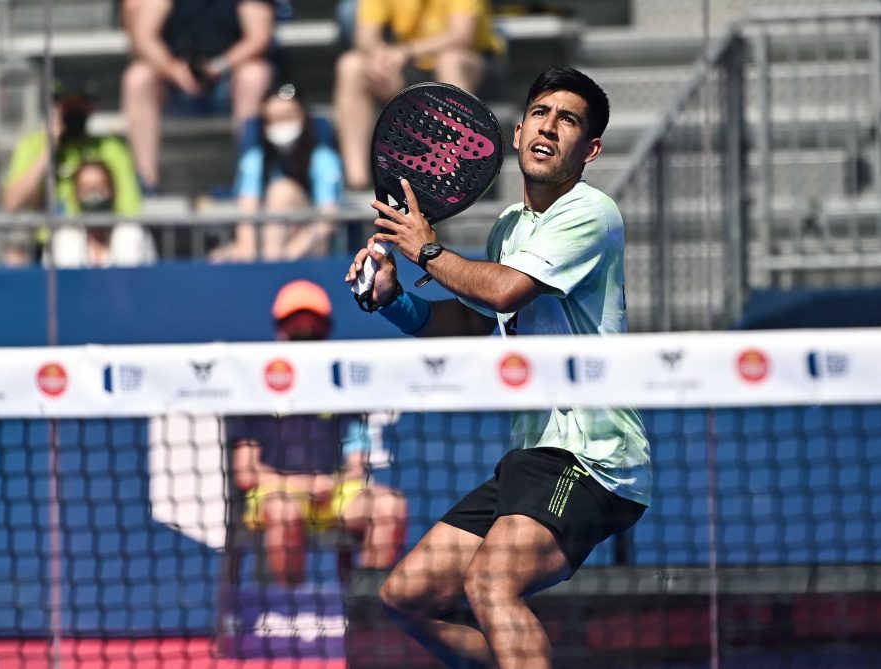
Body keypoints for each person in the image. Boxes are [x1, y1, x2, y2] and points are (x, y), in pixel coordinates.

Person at [344, 67, 650, 669]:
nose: (549, 126)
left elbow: (506, 291)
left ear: (589, 150)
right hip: (531, 455)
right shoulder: (509, 227)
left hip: (593, 455)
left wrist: (427, 249)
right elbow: (477, 319)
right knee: (408, 598)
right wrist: (395, 300)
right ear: (517, 133)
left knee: (491, 584)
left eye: (568, 120)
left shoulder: (592, 211)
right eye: (541, 113)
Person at [228, 279, 408, 585]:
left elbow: (356, 464)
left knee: (389, 506)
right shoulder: (255, 388)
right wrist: (300, 483)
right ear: (280, 331)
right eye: (296, 329)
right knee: (285, 514)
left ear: (326, 331)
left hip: (332, 492)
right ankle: (292, 609)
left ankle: (365, 607)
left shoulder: (342, 389)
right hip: (277, 495)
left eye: (312, 330)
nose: (305, 337)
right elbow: (245, 472)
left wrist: (330, 482)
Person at [333, 0, 506, 190]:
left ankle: (459, 173)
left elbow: (462, 36)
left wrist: (406, 51)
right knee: (351, 66)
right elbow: (365, 37)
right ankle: (358, 182)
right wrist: (381, 56)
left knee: (450, 61)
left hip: (472, 61)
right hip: (412, 63)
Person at [121, 0, 275, 193]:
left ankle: (251, 178)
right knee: (138, 78)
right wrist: (173, 69)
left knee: (255, 75)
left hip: (227, 77)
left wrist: (218, 66)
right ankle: (147, 184)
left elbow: (258, 38)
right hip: (172, 80)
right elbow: (144, 37)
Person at [212, 84, 343, 262]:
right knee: (218, 258)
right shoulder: (254, 160)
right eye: (273, 119)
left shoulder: (323, 159)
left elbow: (327, 221)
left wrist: (285, 257)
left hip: (310, 245)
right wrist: (248, 258)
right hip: (266, 246)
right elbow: (247, 218)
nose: (281, 124)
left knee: (281, 191)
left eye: (288, 116)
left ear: (303, 117)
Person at [2, 85, 142, 217]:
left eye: (77, 106)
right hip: (48, 239)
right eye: (66, 106)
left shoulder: (111, 148)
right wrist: (47, 153)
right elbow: (12, 204)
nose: (72, 113)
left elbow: (130, 211)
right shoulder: (33, 145)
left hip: (98, 238)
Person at [48, 161, 158, 268]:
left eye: (100, 188)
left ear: (113, 191)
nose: (94, 195)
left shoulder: (133, 233)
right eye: (85, 189)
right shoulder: (63, 238)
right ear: (75, 195)